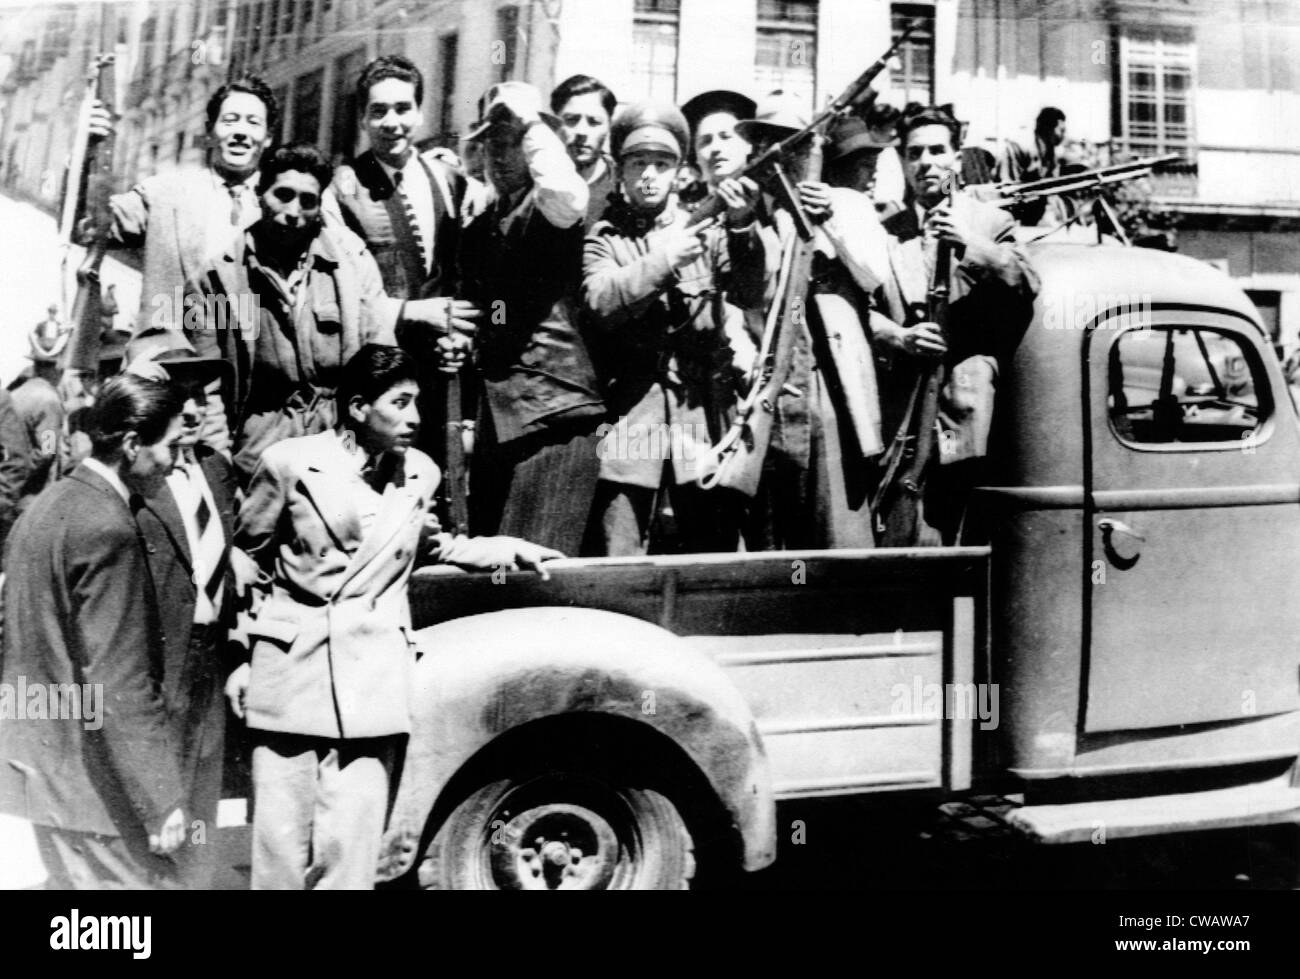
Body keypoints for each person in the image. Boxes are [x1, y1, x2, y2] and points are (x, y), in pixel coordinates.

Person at [228, 345, 562, 889]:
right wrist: (240, 657)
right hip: (291, 672)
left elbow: (431, 547)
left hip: (371, 675)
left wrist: (506, 550)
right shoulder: (289, 463)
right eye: (401, 403)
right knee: (279, 853)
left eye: (417, 404)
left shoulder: (420, 474)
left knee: (352, 852)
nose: (415, 418)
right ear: (359, 408)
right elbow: (245, 562)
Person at [0, 375, 188, 888]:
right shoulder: (109, 526)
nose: (175, 461)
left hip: (46, 780)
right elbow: (117, 680)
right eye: (171, 445)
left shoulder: (42, 508)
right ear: (132, 444)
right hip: (98, 794)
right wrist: (161, 799)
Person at [582, 102, 766, 555]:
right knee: (619, 555)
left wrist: (743, 227)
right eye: (637, 163)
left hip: (700, 421)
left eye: (661, 164)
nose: (649, 174)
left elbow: (748, 291)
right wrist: (665, 259)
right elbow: (601, 301)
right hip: (630, 421)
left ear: (678, 171)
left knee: (710, 553)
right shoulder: (603, 236)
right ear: (618, 170)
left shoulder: (707, 226)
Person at [185, 142, 431, 481]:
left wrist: (371, 459)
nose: (293, 211)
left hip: (342, 443)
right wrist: (221, 475)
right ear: (259, 193)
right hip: (257, 453)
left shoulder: (352, 263)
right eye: (282, 195)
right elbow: (205, 390)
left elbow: (381, 363)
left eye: (307, 200)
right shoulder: (216, 277)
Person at [324, 55, 484, 518]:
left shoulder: (450, 180)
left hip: (441, 371)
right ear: (362, 118)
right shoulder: (341, 190)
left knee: (442, 492)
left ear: (419, 110)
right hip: (377, 370)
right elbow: (342, 292)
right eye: (378, 111)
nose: (391, 122)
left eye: (402, 108)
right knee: (378, 495)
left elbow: (460, 274)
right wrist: (413, 313)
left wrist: (458, 335)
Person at [871, 105, 1039, 545]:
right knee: (897, 542)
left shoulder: (990, 221)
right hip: (897, 416)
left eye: (937, 150)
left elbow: (1026, 283)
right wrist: (897, 336)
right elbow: (858, 312)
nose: (926, 162)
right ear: (903, 162)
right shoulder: (887, 229)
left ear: (957, 157)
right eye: (914, 153)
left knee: (959, 543)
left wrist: (969, 243)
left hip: (963, 417)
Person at [733, 92, 892, 550]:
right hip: (763, 391)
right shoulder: (747, 211)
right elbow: (740, 298)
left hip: (828, 388)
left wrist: (830, 218)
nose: (776, 156)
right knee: (768, 537)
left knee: (836, 530)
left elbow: (873, 274)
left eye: (789, 145)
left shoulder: (845, 203)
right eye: (764, 144)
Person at [458, 82, 607, 554]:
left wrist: (531, 125)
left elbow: (566, 192)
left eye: (513, 142)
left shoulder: (549, 207)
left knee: (535, 576)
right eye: (492, 143)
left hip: (553, 419)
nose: (500, 155)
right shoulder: (482, 224)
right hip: (497, 424)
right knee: (490, 572)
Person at [125, 351, 239, 888]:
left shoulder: (216, 469)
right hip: (157, 666)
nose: (193, 409)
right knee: (156, 805)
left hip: (209, 662)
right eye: (179, 396)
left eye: (202, 395)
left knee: (201, 805)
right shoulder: (140, 479)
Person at [89, 76, 279, 362]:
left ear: (268, 137)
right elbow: (89, 226)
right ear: (209, 132)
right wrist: (87, 151)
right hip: (168, 367)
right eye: (230, 120)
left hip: (251, 374)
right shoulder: (164, 193)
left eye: (253, 123)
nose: (240, 132)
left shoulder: (286, 204)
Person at [550, 74, 620, 231]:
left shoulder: (622, 182)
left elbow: (648, 187)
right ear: (554, 124)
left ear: (609, 126)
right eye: (571, 120)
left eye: (594, 121)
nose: (582, 131)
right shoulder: (538, 181)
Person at [8, 323, 65, 514]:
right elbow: (47, 452)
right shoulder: (48, 400)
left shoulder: (18, 393)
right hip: (31, 498)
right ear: (59, 365)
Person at [997, 106, 1069, 225]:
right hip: (1009, 212)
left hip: (1033, 210)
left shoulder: (1051, 153)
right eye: (1061, 130)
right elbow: (1007, 187)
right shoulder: (1020, 146)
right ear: (1048, 129)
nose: (1064, 135)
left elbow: (1053, 189)